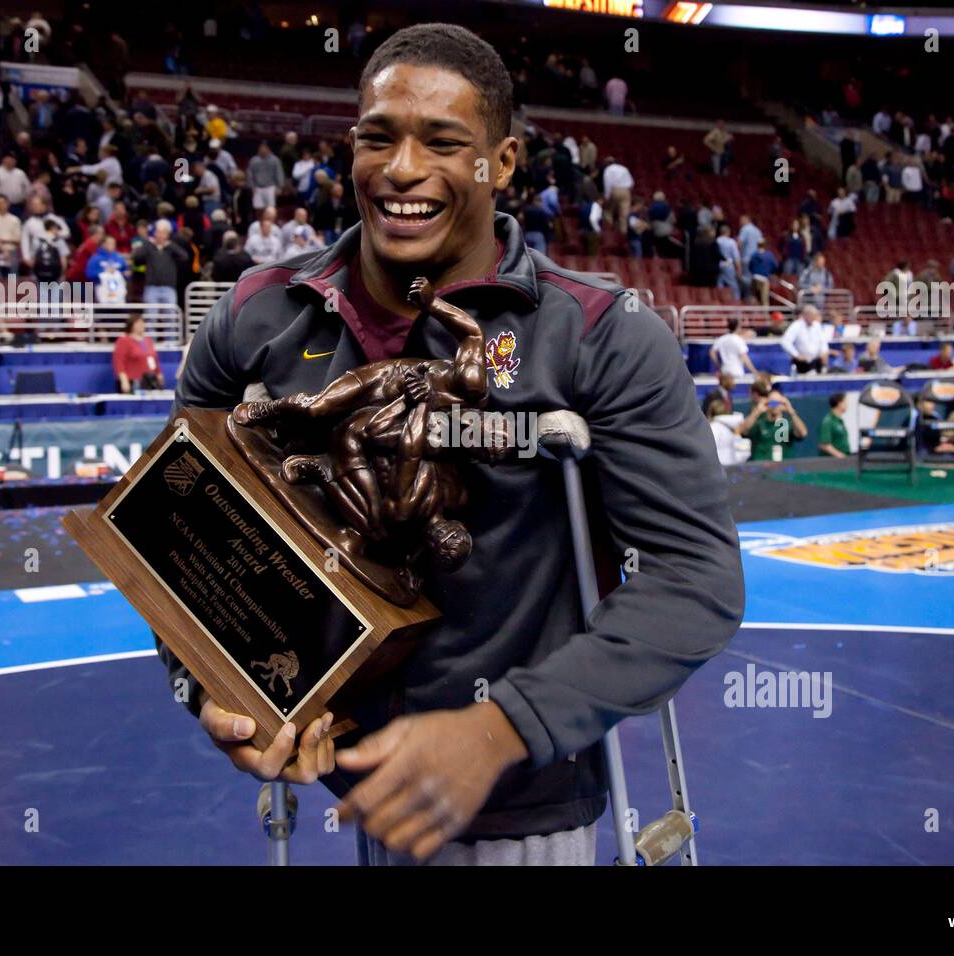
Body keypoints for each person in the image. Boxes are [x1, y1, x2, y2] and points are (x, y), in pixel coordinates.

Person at [164, 23, 742, 867]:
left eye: (443, 142)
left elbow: (695, 580)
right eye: (377, 137)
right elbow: (179, 528)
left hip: (525, 811)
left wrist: (499, 729)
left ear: (501, 164)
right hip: (349, 788)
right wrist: (214, 682)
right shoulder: (258, 315)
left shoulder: (599, 335)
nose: (401, 170)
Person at [741, 382, 807, 461]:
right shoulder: (760, 421)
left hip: (783, 468)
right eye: (772, 402)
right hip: (761, 467)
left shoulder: (786, 423)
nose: (775, 406)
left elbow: (802, 433)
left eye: (778, 402)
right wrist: (757, 411)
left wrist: (790, 410)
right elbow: (743, 431)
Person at [112, 315, 164, 394]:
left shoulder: (148, 340)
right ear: (131, 325)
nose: (141, 325)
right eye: (138, 323)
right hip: (133, 381)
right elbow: (119, 362)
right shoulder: (124, 340)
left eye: (142, 323)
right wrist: (124, 380)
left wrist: (158, 373)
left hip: (149, 380)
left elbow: (154, 359)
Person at [781, 304, 831, 374]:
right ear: (806, 315)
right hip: (802, 363)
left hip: (817, 361)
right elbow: (785, 342)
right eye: (812, 315)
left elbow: (823, 342)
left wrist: (824, 351)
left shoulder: (817, 325)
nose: (814, 318)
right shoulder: (797, 325)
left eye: (815, 315)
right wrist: (796, 355)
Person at [818, 392, 851, 458]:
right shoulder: (828, 421)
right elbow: (824, 445)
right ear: (839, 403)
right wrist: (841, 456)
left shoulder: (839, 421)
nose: (847, 404)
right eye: (845, 402)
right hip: (833, 463)